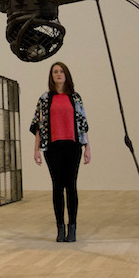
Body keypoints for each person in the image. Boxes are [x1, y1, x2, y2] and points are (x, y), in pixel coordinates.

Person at [30, 62, 91, 242]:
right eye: (55, 72)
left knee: (71, 186)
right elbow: (38, 126)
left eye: (61, 71)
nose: (58, 74)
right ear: (51, 76)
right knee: (57, 186)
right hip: (53, 148)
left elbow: (83, 123)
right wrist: (36, 150)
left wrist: (87, 147)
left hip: (73, 146)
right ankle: (59, 227)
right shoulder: (44, 98)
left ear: (67, 75)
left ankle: (72, 227)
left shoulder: (76, 98)